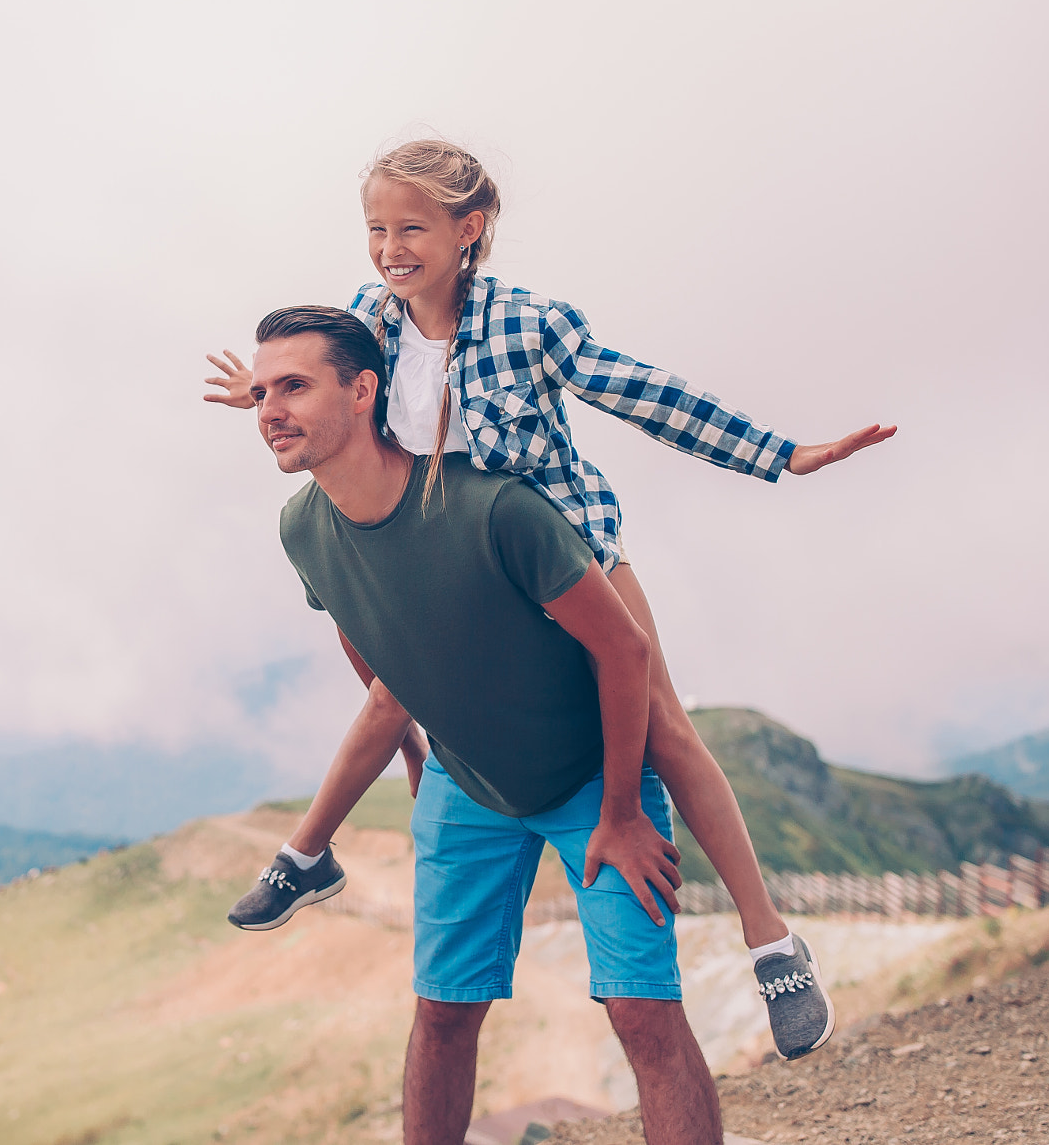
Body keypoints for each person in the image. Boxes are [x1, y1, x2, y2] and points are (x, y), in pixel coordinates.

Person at [208, 139, 890, 1061]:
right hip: (443, 559)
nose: (390, 247)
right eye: (376, 228)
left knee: (664, 726)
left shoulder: (530, 323)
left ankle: (772, 941)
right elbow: (324, 378)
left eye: (412, 227)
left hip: (559, 546)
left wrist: (778, 453)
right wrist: (260, 391)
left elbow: (644, 393)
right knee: (396, 688)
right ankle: (309, 854)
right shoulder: (373, 318)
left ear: (469, 228)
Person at [248, 305, 725, 1145]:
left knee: (642, 1013)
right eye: (259, 392)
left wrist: (619, 810)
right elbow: (368, 641)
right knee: (441, 1014)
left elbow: (624, 650)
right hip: (470, 786)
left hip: (594, 778)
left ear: (364, 391)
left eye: (294, 385)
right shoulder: (302, 528)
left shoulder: (492, 510)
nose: (269, 410)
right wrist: (418, 754)